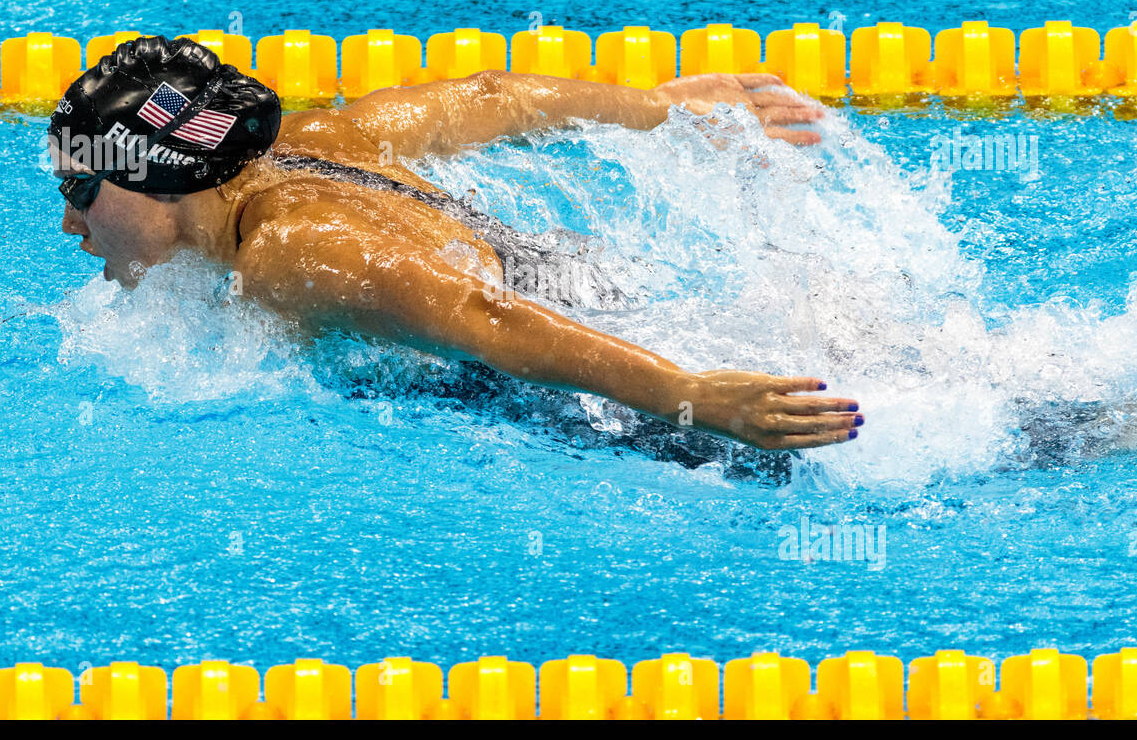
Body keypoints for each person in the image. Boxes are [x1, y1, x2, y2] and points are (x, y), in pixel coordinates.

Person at [49, 36, 864, 451]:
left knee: (803, 448)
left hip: (598, 371)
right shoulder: (314, 138)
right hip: (599, 289)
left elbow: (488, 319)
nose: (71, 225)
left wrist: (697, 395)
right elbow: (489, 97)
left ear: (163, 178)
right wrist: (661, 108)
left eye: (80, 190)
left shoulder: (288, 254)